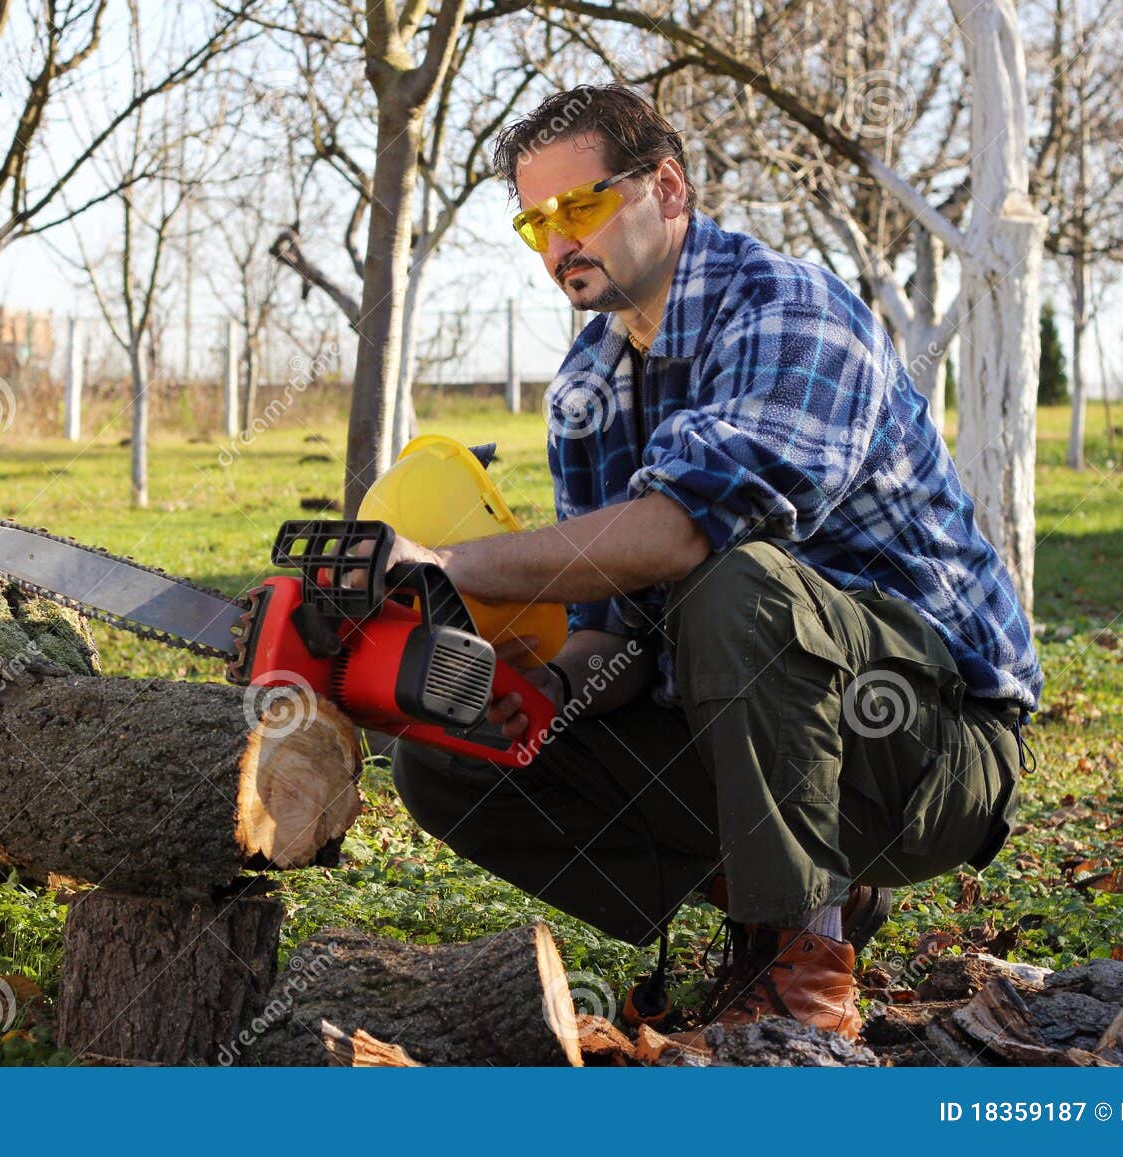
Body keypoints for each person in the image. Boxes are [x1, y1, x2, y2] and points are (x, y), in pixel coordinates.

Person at [381, 84, 1041, 1042]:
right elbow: (616, 636)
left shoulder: (787, 310)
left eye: (582, 206)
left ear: (669, 188)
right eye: (536, 223)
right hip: (755, 728)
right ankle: (810, 896)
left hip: (932, 742)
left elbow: (684, 533)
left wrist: (450, 563)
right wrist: (529, 694)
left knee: (737, 582)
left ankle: (804, 972)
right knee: (444, 759)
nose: (560, 241)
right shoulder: (587, 387)